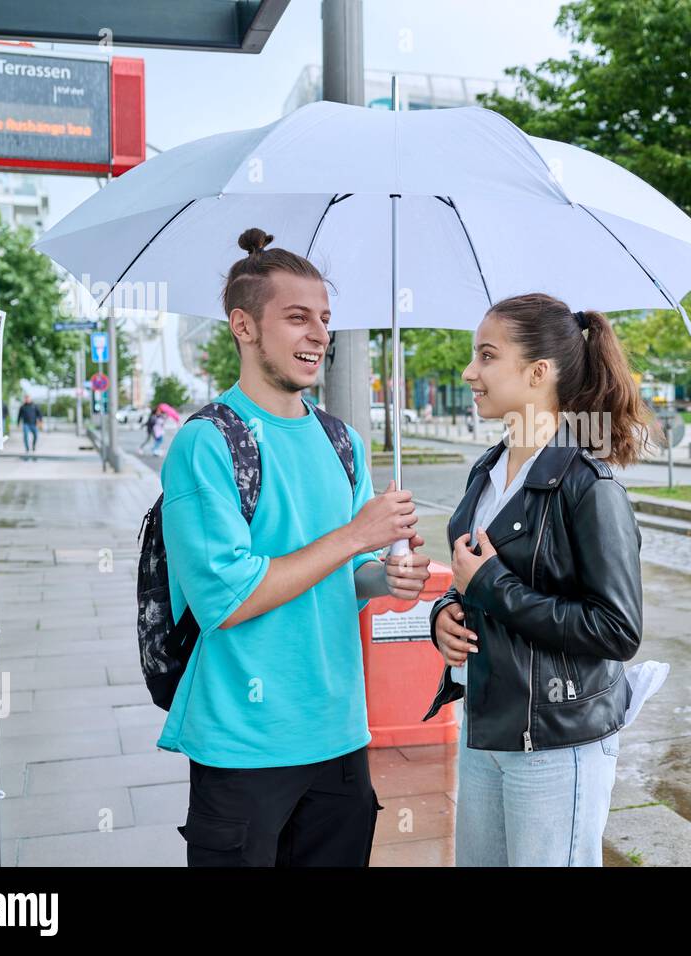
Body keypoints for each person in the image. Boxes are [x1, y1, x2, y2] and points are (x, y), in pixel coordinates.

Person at [158, 226, 431, 866]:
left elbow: (352, 572)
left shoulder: (343, 443)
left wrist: (386, 575)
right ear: (244, 327)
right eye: (297, 318)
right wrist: (354, 535)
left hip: (339, 735)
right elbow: (227, 598)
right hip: (245, 745)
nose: (318, 335)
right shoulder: (208, 442)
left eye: (326, 320)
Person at [422, 292, 653, 867]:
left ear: (537, 373)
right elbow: (472, 579)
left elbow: (617, 629)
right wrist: (445, 617)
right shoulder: (488, 471)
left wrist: (489, 587)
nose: (469, 372)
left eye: (486, 356)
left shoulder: (589, 485)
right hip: (485, 724)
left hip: (558, 740)